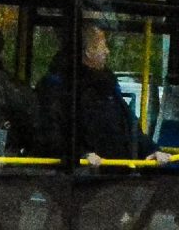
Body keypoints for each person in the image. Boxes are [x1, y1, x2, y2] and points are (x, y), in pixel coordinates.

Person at [41, 22, 161, 168]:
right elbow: (50, 133)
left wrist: (152, 149)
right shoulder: (58, 85)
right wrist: (80, 154)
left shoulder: (107, 85)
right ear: (88, 51)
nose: (107, 51)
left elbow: (130, 124)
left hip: (117, 174)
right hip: (81, 176)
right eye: (102, 46)